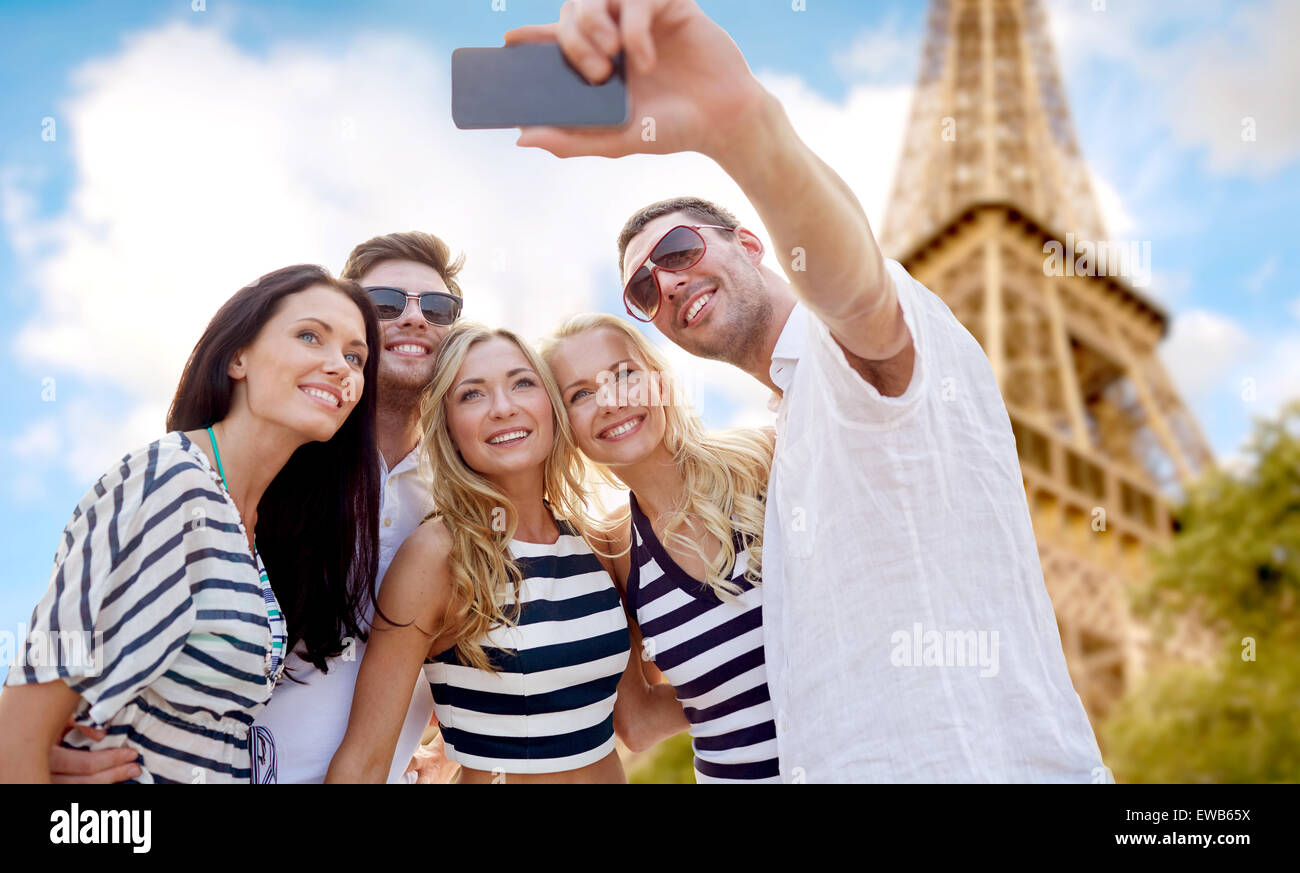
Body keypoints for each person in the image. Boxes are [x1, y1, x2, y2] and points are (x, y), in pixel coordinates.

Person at [506, 0, 1106, 782]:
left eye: (682, 249)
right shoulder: (788, 434)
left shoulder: (839, 354)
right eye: (645, 291)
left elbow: (857, 296)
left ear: (751, 243)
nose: (669, 282)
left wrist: (742, 129)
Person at [0, 264, 382, 783]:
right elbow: (19, 725)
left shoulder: (247, 526)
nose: (340, 367)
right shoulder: (171, 481)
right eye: (310, 335)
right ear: (237, 357)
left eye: (354, 357)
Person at [326, 324, 682, 783]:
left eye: (522, 383)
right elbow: (365, 759)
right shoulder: (438, 555)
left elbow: (639, 720)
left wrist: (776, 677)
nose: (503, 408)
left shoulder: (596, 544)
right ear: (449, 428)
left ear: (550, 405)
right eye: (472, 395)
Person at [543, 313, 778, 783]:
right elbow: (640, 722)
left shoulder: (766, 460)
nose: (610, 401)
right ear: (562, 425)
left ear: (659, 380)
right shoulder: (608, 553)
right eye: (581, 394)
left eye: (624, 375)